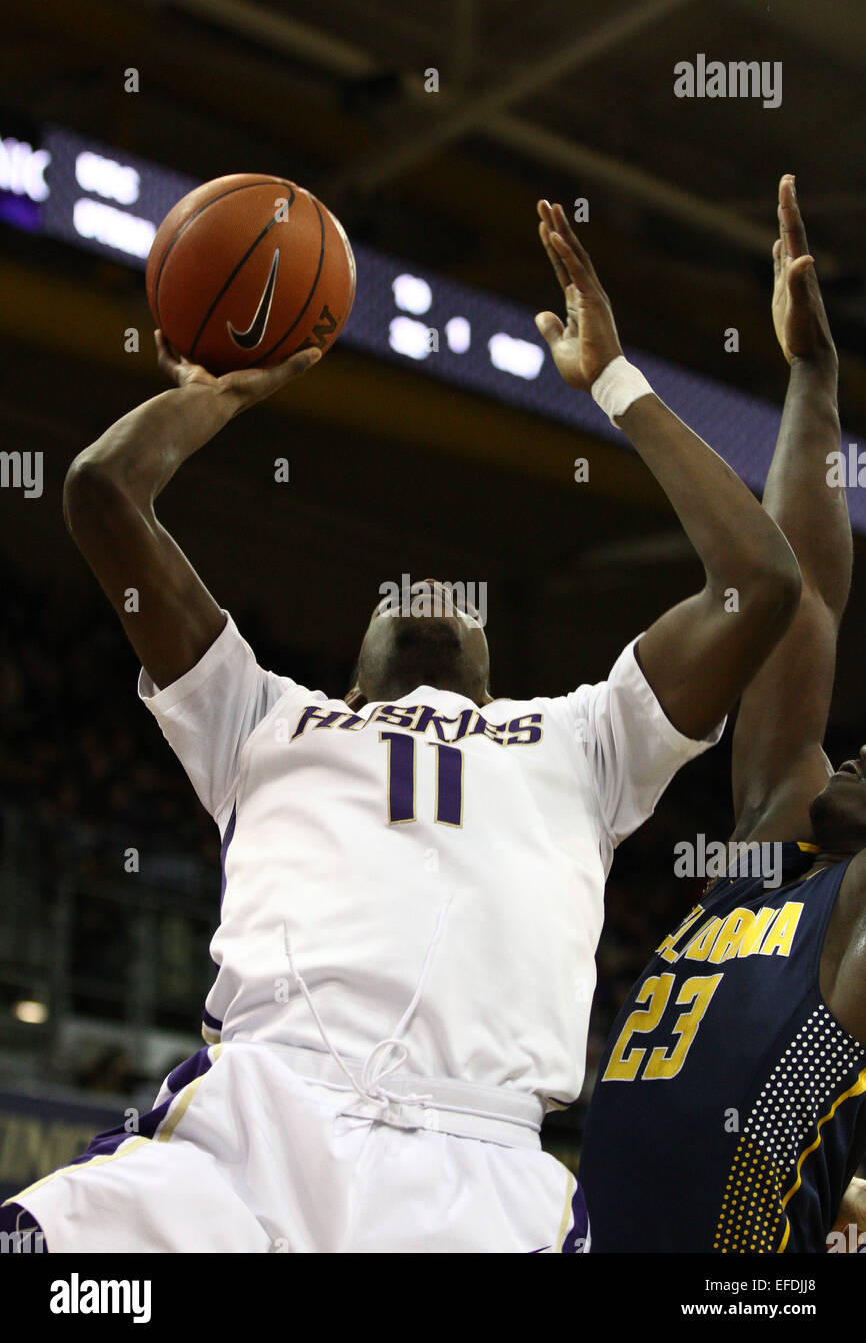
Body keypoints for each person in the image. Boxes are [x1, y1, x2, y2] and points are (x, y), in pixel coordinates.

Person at [1, 202, 801, 1253]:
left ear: (492, 667)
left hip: (483, 1177)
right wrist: (223, 389)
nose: (426, 597)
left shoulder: (588, 741)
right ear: (356, 655)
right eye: (395, 595)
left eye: (456, 599)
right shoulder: (256, 713)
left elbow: (759, 580)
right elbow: (104, 492)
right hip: (256, 1133)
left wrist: (616, 382)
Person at [579, 176, 866, 1254]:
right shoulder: (767, 849)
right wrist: (811, 378)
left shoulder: (852, 927)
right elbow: (808, 599)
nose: (856, 749)